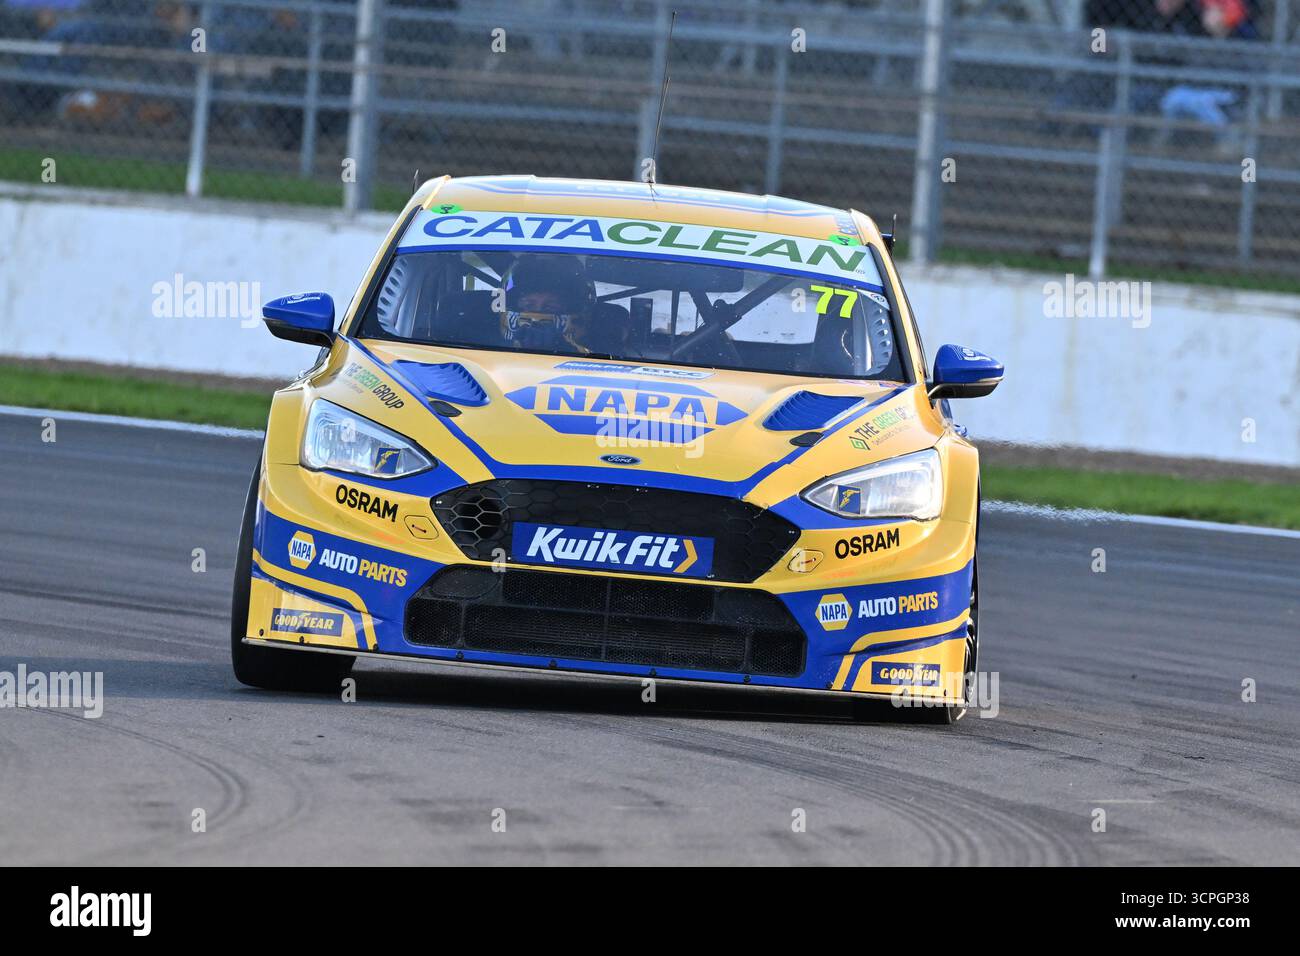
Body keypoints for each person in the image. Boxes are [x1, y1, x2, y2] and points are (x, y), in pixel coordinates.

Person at [499, 255, 599, 353]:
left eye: (550, 307)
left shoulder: (603, 349)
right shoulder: (487, 344)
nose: (537, 316)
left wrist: (566, 349)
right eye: (529, 305)